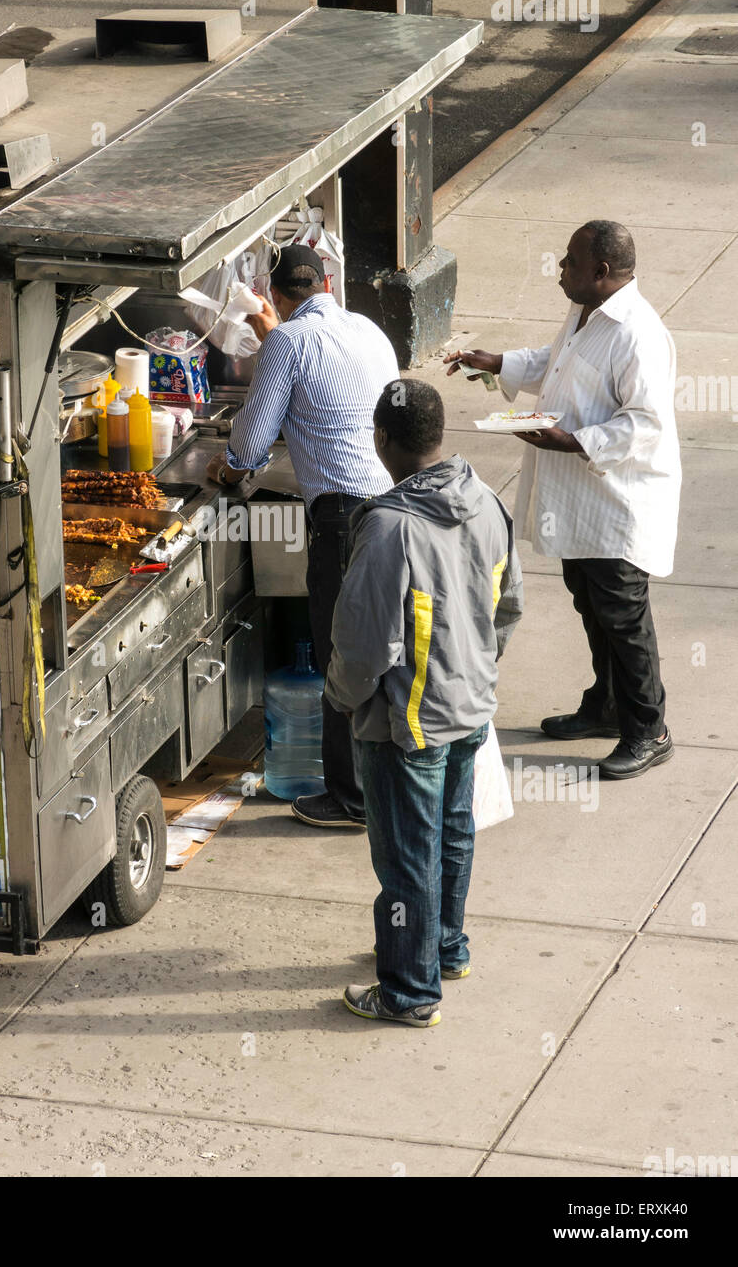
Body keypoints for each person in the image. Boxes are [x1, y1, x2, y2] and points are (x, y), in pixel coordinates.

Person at [446, 220, 680, 781]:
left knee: (623, 619)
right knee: (593, 605)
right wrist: (499, 362)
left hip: (615, 505)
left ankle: (650, 730)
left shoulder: (636, 334)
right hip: (580, 504)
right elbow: (556, 362)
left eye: (569, 262)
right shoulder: (585, 312)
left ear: (601, 272)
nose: (559, 270)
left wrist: (574, 441)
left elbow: (645, 423)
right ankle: (606, 705)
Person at [327, 377, 522, 1027]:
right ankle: (444, 949)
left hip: (406, 724)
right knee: (452, 834)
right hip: (468, 706)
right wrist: (473, 671)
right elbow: (506, 605)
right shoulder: (487, 501)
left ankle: (409, 992)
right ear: (435, 437)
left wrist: (342, 699)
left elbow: (363, 645)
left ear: (380, 440)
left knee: (407, 857)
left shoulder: (388, 528)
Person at [206, 243, 399, 828]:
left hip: (342, 521)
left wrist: (227, 470)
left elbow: (251, 443)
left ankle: (352, 800)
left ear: (278, 297)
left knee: (342, 657)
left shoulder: (288, 342)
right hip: (392, 505)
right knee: (380, 650)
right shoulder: (367, 328)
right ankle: (383, 784)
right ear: (328, 284)